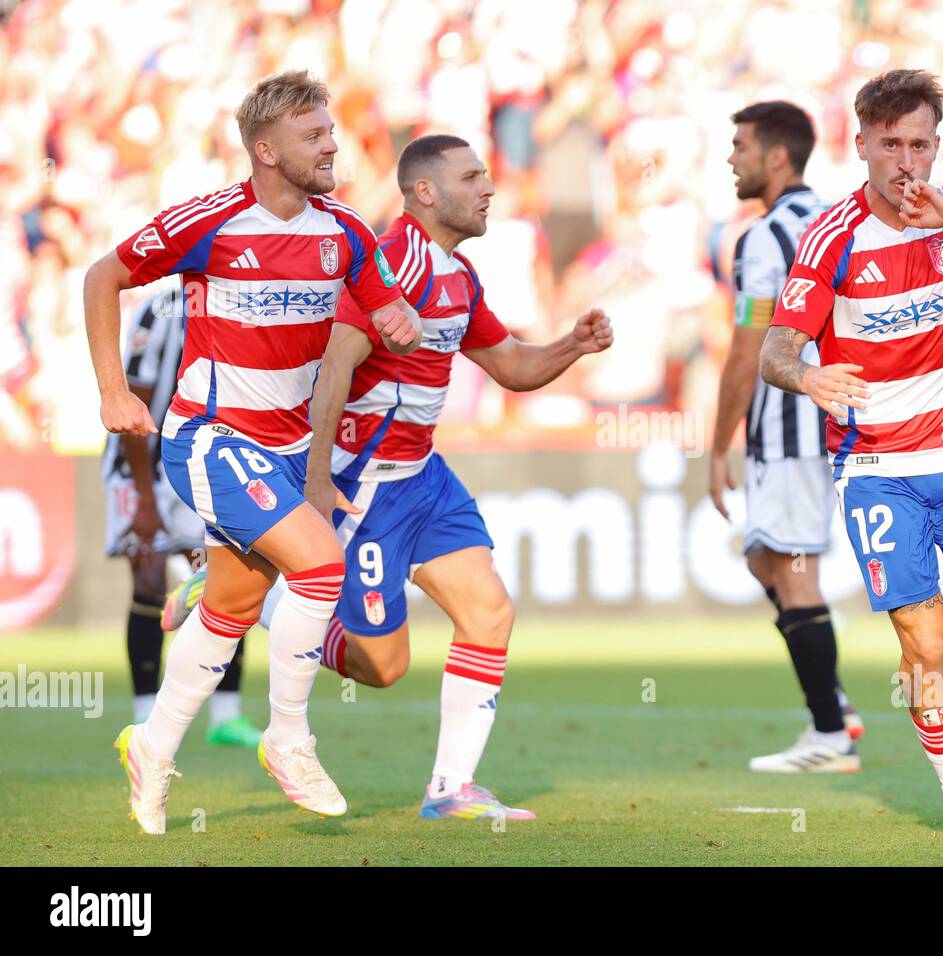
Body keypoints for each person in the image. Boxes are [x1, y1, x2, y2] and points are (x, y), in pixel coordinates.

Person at [168, 135, 613, 821]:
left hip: (424, 479)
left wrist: (572, 346)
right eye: (472, 177)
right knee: (381, 668)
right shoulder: (387, 264)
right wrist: (317, 482)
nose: (489, 188)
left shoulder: (460, 277)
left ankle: (450, 789)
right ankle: (240, 600)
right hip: (364, 484)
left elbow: (514, 368)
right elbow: (334, 368)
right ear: (425, 192)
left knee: (489, 609)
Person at [84, 70, 420, 835]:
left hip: (287, 447)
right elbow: (103, 275)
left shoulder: (346, 231)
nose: (332, 144)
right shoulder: (212, 221)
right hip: (209, 436)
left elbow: (386, 305)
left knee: (233, 610)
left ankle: (153, 745)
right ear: (265, 149)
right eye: (314, 135)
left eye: (331, 132)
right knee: (322, 565)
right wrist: (112, 390)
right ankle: (290, 737)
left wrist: (399, 319)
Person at [759, 69, 943, 842]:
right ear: (860, 144)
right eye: (888, 144)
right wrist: (808, 374)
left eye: (918, 145)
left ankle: (939, 606)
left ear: (935, 146)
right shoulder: (832, 237)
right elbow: (775, 352)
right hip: (875, 470)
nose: (904, 162)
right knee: (922, 645)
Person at [708, 101, 864, 773]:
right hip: (826, 425)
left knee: (796, 574)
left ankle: (829, 733)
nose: (731, 158)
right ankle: (834, 704)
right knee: (765, 559)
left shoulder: (765, 236)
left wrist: (717, 446)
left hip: (794, 429)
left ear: (777, 156)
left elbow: (749, 348)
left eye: (740, 146)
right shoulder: (835, 222)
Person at [103, 286, 259, 748]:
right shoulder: (163, 309)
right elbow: (134, 404)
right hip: (139, 465)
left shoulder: (243, 302)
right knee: (150, 580)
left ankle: (226, 716)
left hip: (204, 460)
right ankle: (144, 717)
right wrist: (146, 502)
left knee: (230, 576)